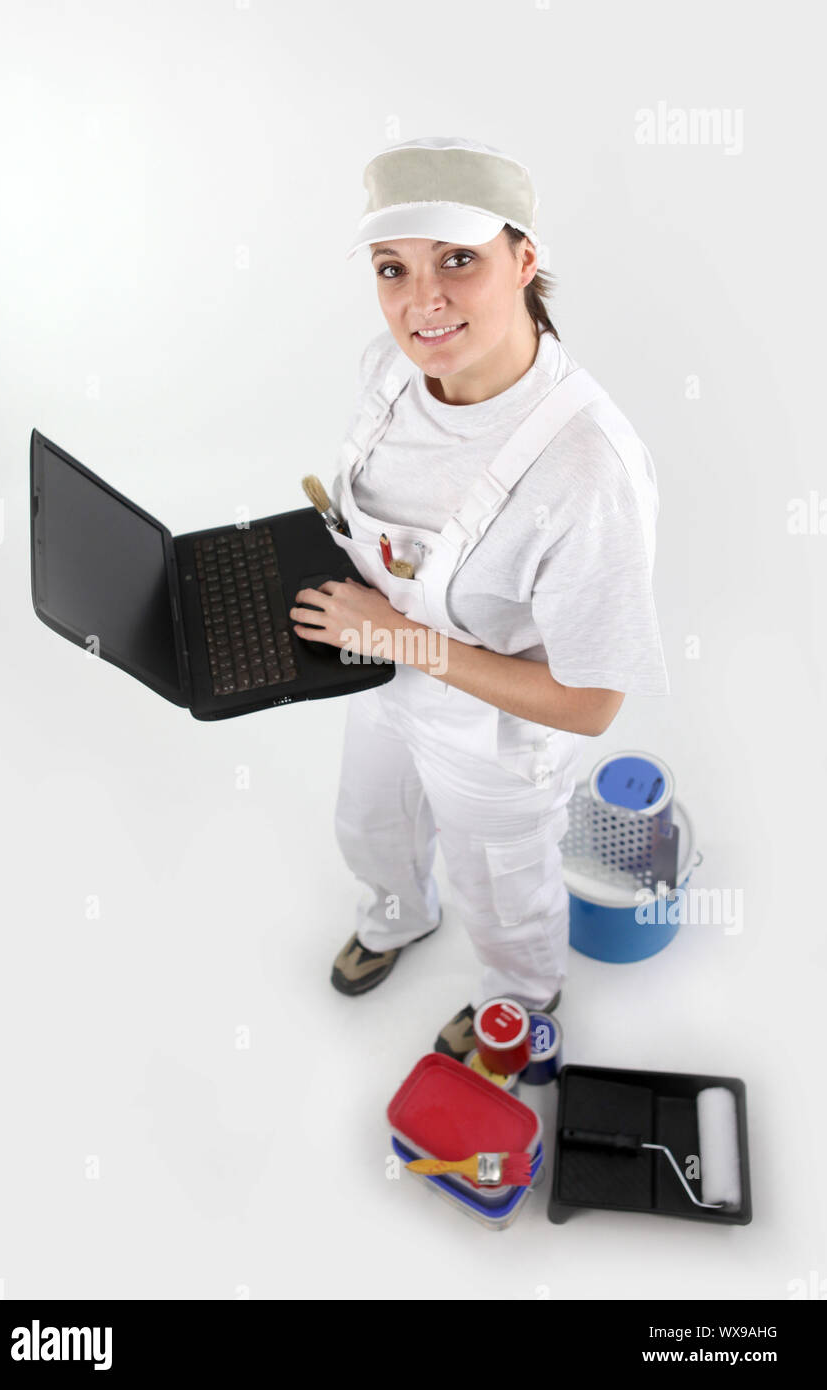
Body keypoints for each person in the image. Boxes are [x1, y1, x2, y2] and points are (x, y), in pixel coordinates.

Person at [288, 135, 670, 1058]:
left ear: (525, 260)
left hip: (493, 733)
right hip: (376, 666)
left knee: (500, 883)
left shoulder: (587, 469)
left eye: (460, 259)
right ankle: (398, 918)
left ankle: (523, 992)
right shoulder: (388, 373)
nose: (424, 302)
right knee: (370, 822)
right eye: (394, 269)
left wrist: (401, 640)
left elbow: (591, 703)